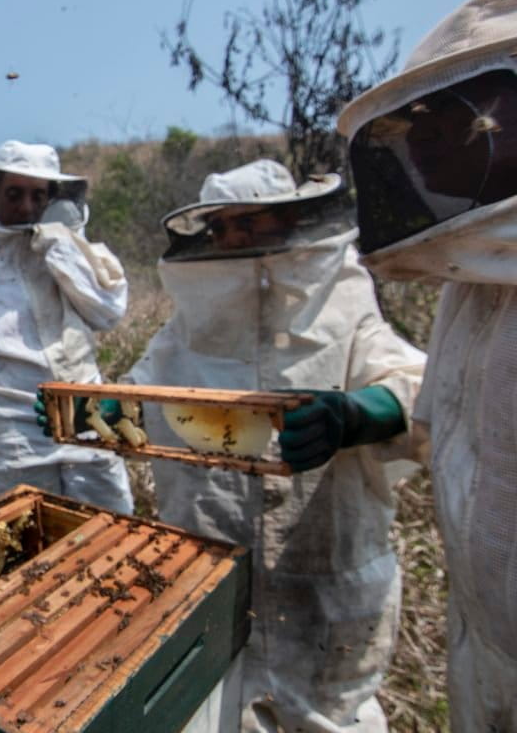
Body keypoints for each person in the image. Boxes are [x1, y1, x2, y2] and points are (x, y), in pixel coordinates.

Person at [119, 159, 426, 732]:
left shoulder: (344, 309)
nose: (238, 239)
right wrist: (106, 407)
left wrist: (361, 413)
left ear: (291, 225)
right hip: (211, 582)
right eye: (226, 228)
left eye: (253, 223)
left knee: (336, 721)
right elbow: (140, 392)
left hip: (323, 589)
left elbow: (420, 389)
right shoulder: (189, 327)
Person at [337, 0, 517, 732]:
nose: (427, 141)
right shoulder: (472, 284)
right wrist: (382, 412)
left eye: (454, 114)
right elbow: (464, 432)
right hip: (486, 645)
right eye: (419, 125)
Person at [0, 140, 134, 513]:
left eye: (38, 195)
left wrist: (60, 250)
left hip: (86, 410)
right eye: (14, 194)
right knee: (31, 538)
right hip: (8, 424)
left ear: (52, 198)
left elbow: (107, 312)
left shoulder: (67, 242)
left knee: (112, 526)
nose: (26, 207)